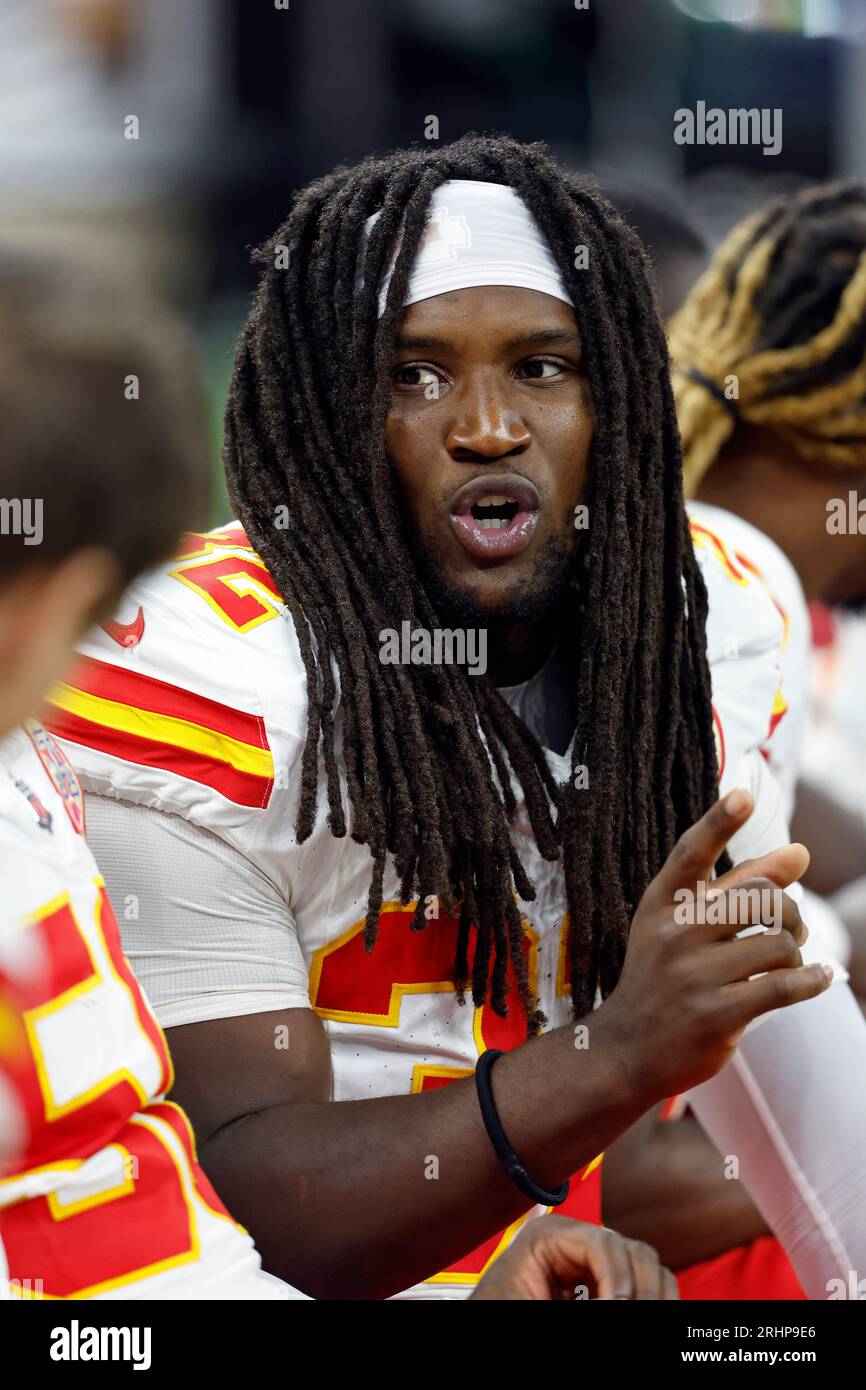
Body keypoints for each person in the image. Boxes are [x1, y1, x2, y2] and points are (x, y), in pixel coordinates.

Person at [48, 135, 843, 1301]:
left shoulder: (697, 619)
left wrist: (642, 1051)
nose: (485, 425)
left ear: (615, 395)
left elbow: (628, 1149)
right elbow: (244, 1199)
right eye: (412, 374)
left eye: (542, 367)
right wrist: (616, 1050)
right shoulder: (207, 678)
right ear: (324, 417)